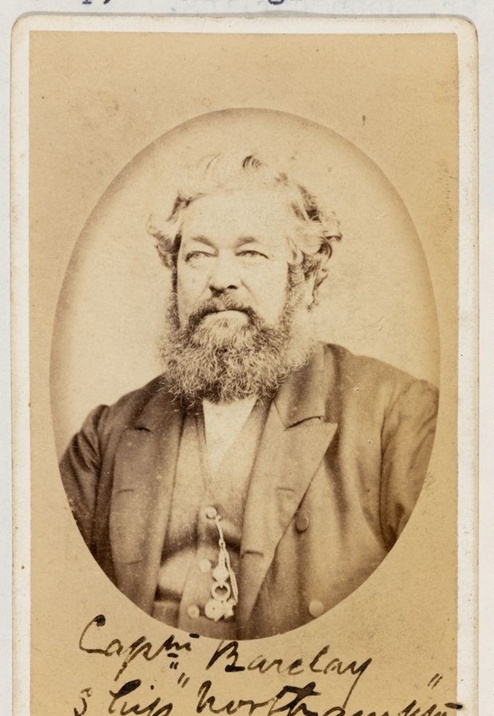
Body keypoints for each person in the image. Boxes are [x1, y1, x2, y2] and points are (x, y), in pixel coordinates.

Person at [60, 153, 438, 639]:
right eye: (198, 254)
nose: (221, 279)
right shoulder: (107, 434)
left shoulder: (397, 417)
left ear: (301, 280)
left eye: (251, 253)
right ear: (175, 276)